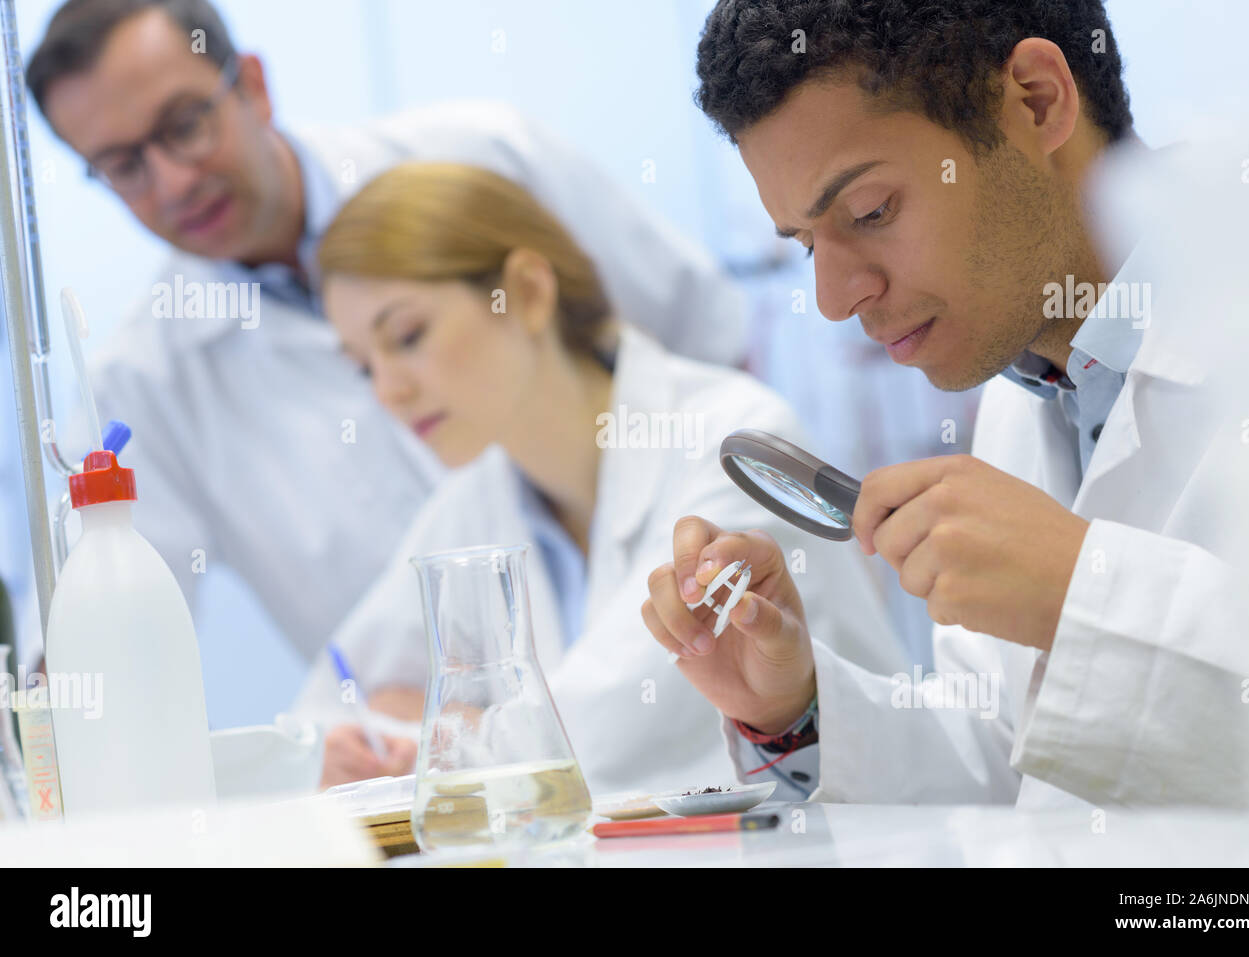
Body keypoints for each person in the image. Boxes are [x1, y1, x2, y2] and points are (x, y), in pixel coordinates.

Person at [642, 0, 1249, 807]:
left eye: (870, 212)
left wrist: (1080, 589)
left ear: (1036, 101)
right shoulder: (1026, 385)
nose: (832, 298)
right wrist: (793, 709)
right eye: (804, 242)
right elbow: (1018, 770)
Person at [23, 0, 746, 670]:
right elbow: (87, 635)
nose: (173, 181)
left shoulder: (485, 157)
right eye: (123, 166)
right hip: (427, 762)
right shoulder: (146, 384)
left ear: (251, 85)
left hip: (687, 656)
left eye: (185, 124)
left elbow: (712, 352)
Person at [291, 162, 906, 793]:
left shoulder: (727, 443)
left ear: (527, 292)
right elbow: (329, 706)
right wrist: (391, 737)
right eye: (365, 367)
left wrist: (445, 731)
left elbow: (598, 734)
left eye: (408, 335)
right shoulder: (476, 500)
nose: (389, 390)